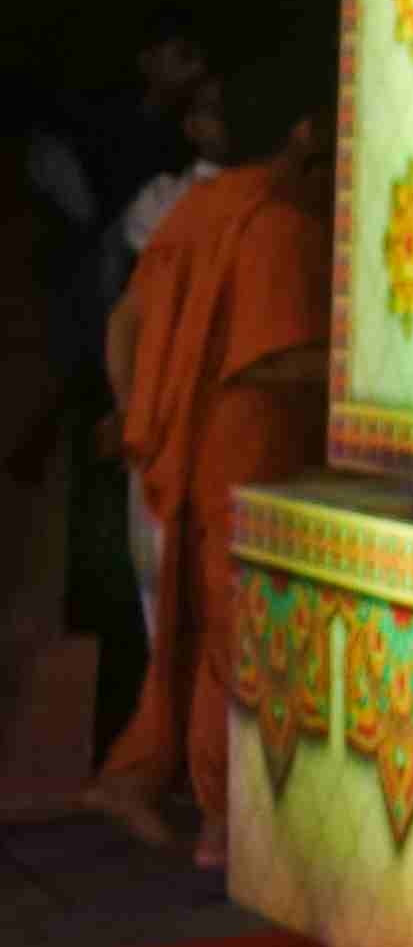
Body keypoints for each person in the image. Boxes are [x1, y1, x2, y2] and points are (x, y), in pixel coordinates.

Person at [81, 47, 323, 863]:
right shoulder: (279, 223)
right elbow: (274, 361)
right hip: (243, 454)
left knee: (187, 627)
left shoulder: (194, 212)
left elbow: (122, 323)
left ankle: (140, 779)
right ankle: (220, 819)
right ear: (303, 133)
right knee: (228, 630)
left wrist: (139, 417)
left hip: (173, 451)